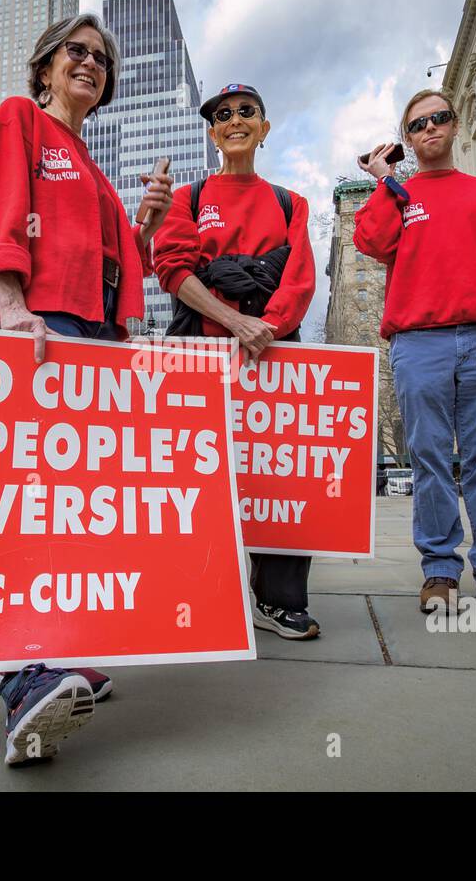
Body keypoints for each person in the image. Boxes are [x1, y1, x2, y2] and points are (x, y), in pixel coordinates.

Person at [0, 14, 173, 764]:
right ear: (44, 66)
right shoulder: (20, 122)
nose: (90, 63)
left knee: (75, 512)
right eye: (75, 53)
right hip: (43, 333)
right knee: (31, 505)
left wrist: (143, 224)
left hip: (98, 349)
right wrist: (13, 306)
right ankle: (24, 680)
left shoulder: (87, 165)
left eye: (101, 59)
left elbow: (125, 273)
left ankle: (58, 652)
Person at [354, 88, 476, 619]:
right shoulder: (400, 194)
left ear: (456, 125)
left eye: (438, 119)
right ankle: (439, 570)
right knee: (431, 459)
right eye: (416, 125)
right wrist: (384, 181)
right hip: (419, 342)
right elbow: (370, 241)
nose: (429, 129)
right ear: (407, 139)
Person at [153, 83, 319, 640]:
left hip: (274, 345)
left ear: (264, 127)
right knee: (198, 470)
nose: (235, 120)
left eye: (247, 111)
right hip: (202, 345)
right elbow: (173, 268)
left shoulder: (291, 202)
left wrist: (266, 325)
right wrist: (234, 322)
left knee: (279, 472)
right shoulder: (190, 196)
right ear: (213, 132)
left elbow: (298, 277)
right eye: (223, 116)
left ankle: (277, 599)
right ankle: (203, 588)